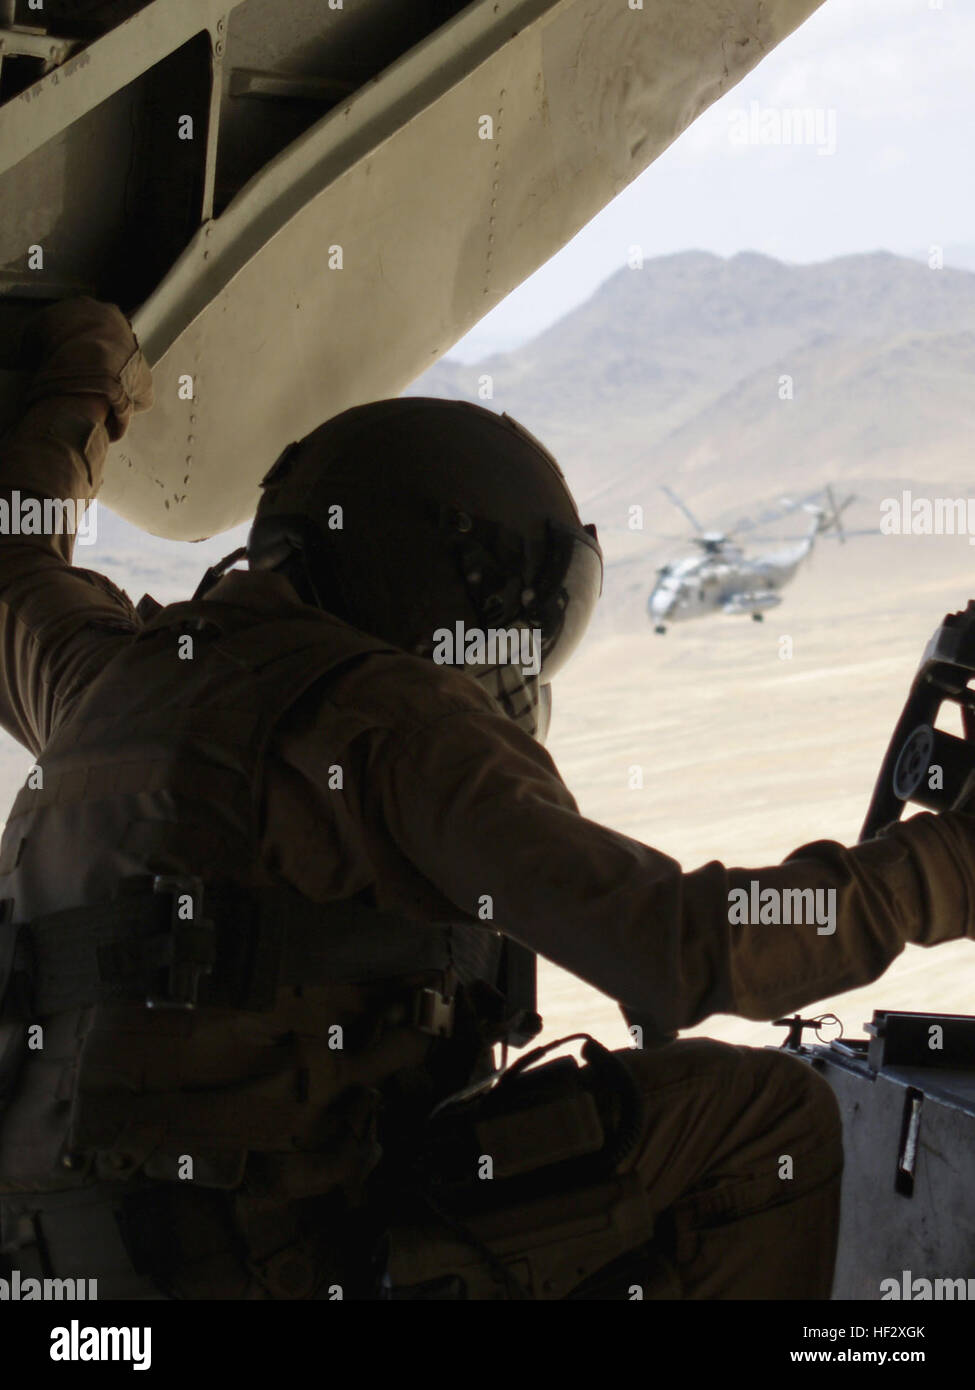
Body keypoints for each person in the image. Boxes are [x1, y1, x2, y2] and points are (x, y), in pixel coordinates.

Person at [0, 298, 972, 1301]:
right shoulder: (393, 718)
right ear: (446, 579)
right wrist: (939, 872)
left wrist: (85, 377)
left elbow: (16, 554)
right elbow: (681, 947)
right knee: (764, 1118)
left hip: (54, 1280)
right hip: (272, 1267)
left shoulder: (103, 675)